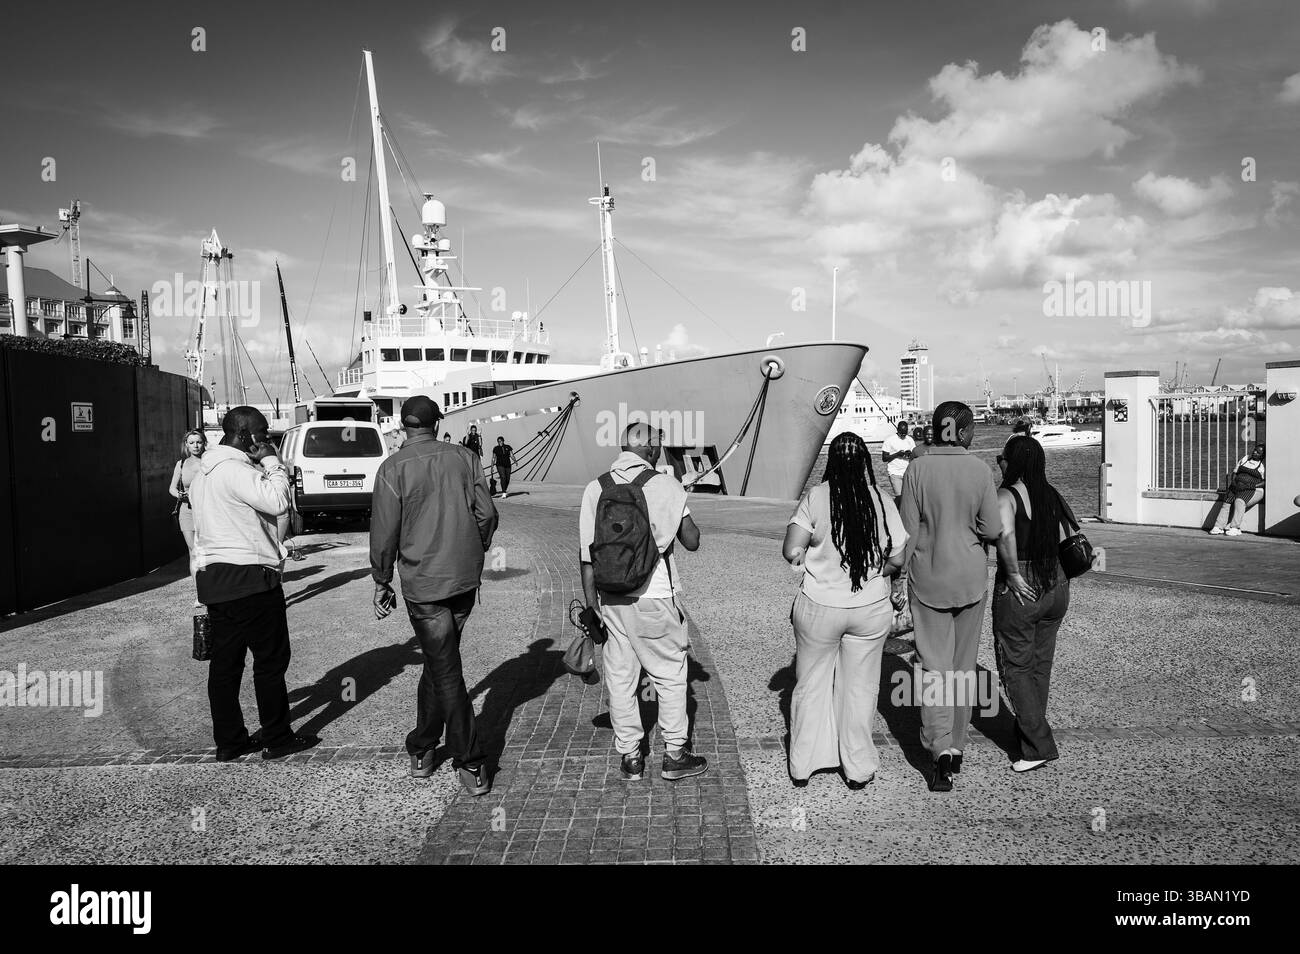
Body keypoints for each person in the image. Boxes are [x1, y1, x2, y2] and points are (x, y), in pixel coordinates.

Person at [371, 396, 499, 796]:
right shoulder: (464, 458)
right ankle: (423, 745)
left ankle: (470, 760)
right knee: (440, 662)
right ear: (437, 422)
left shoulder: (392, 468)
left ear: (403, 425)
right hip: (463, 578)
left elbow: (384, 533)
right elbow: (488, 514)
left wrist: (381, 579)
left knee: (445, 668)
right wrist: (474, 548)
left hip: (423, 584)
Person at [579, 422, 706, 782]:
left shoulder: (596, 487)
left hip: (611, 599)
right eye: (659, 445)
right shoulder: (666, 485)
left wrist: (593, 608)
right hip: (654, 595)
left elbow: (586, 556)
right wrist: (681, 508)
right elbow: (692, 540)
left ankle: (631, 757)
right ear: (650, 449)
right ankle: (675, 754)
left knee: (620, 679)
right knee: (668, 675)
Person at [190, 407, 318, 762]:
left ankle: (230, 742)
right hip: (251, 577)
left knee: (226, 666)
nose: (266, 438)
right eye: (262, 431)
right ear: (245, 434)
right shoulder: (234, 470)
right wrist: (274, 464)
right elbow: (278, 503)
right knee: (270, 660)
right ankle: (277, 737)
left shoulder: (203, 474)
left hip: (215, 580)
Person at [783, 433, 906, 789]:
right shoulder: (881, 500)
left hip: (820, 606)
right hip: (869, 608)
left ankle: (804, 765)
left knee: (811, 684)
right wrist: (876, 572)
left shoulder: (816, 496)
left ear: (831, 461)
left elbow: (792, 548)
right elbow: (898, 556)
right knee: (860, 689)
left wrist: (808, 561)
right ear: (866, 461)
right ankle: (857, 767)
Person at [899, 401, 1001, 792]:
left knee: (932, 667)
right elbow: (991, 527)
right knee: (962, 665)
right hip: (970, 579)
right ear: (961, 432)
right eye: (971, 429)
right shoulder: (979, 470)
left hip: (927, 580)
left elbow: (907, 531)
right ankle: (957, 745)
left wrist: (895, 579)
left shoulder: (916, 469)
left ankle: (939, 747)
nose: (973, 435)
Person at [993, 435, 1071, 773]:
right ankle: (1029, 732)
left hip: (1023, 581)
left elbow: (1005, 535)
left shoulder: (1007, 495)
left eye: (1002, 459)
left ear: (1013, 463)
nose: (1000, 464)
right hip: (1057, 582)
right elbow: (1069, 536)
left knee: (1015, 664)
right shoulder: (1052, 494)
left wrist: (1011, 574)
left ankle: (1039, 744)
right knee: (1040, 664)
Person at [170, 428, 207, 609]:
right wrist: (180, 495)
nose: (195, 446)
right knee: (193, 551)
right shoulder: (182, 464)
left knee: (208, 551)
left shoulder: (209, 461)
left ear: (204, 443)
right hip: (187, 511)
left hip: (207, 510)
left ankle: (214, 589)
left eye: (198, 442)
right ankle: (200, 594)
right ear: (186, 445)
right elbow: (171, 488)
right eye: (191, 442)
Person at [1210, 444, 1265, 536]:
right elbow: (1235, 472)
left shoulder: (1262, 466)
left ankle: (1235, 527)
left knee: (1239, 501)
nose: (1254, 452)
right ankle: (1218, 526)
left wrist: (1250, 486)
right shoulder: (1245, 459)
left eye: (1258, 452)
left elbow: (1264, 482)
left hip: (1251, 489)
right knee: (1227, 502)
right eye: (1254, 450)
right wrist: (1234, 482)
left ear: (1262, 455)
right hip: (1236, 486)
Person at [880, 420, 916, 504]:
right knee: (899, 497)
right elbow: (884, 458)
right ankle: (895, 512)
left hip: (907, 472)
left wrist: (909, 454)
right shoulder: (889, 440)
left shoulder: (910, 440)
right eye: (901, 433)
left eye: (905, 433)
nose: (903, 435)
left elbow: (914, 455)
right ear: (897, 430)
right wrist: (897, 454)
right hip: (895, 473)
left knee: (909, 497)